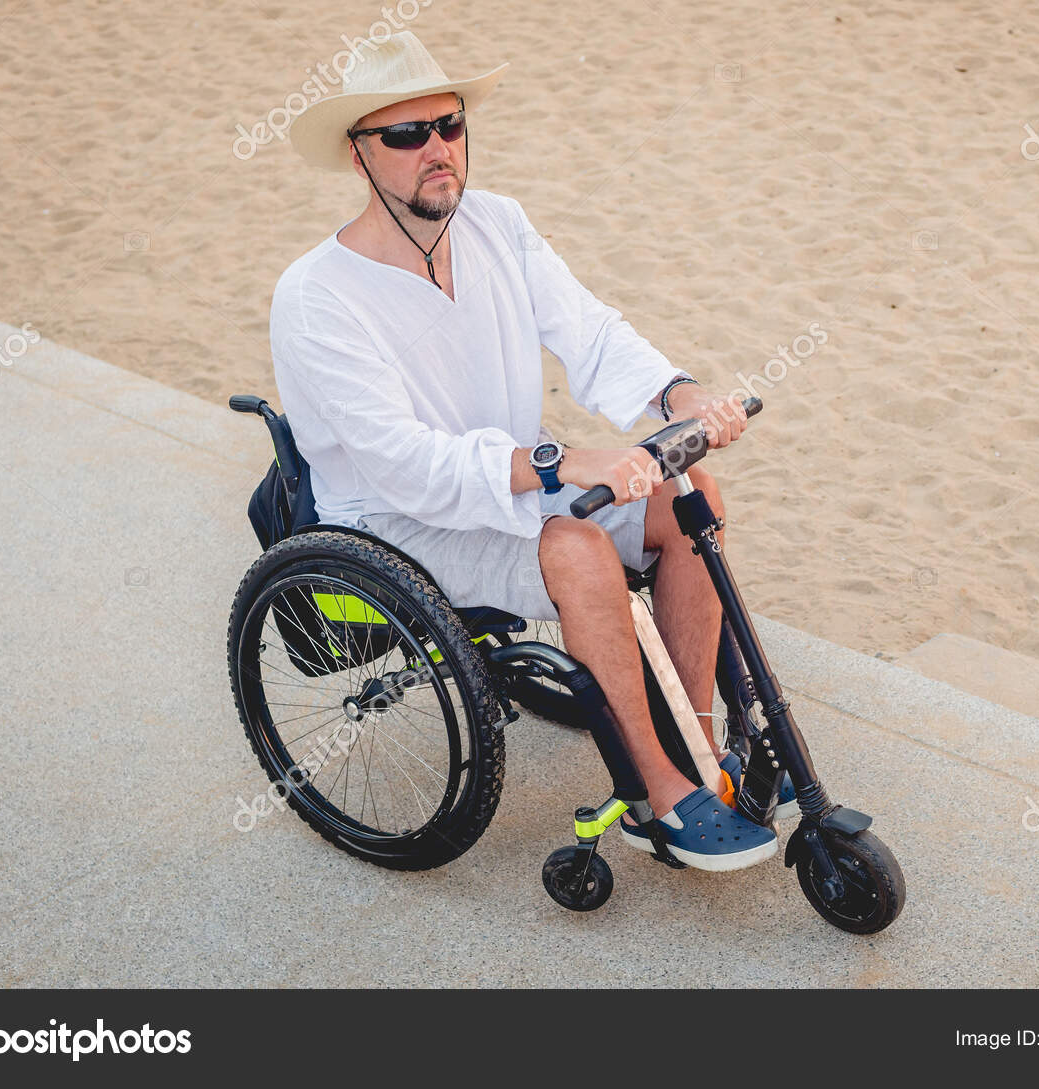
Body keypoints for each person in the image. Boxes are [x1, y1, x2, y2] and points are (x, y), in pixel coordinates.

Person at [273, 32, 794, 871]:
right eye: (406, 136)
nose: (436, 149)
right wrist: (557, 466)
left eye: (449, 124)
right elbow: (403, 464)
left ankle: (695, 747)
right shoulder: (315, 297)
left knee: (689, 494)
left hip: (513, 480)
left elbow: (588, 332)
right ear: (357, 152)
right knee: (579, 548)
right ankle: (659, 799)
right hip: (397, 523)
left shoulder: (496, 223)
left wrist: (676, 395)